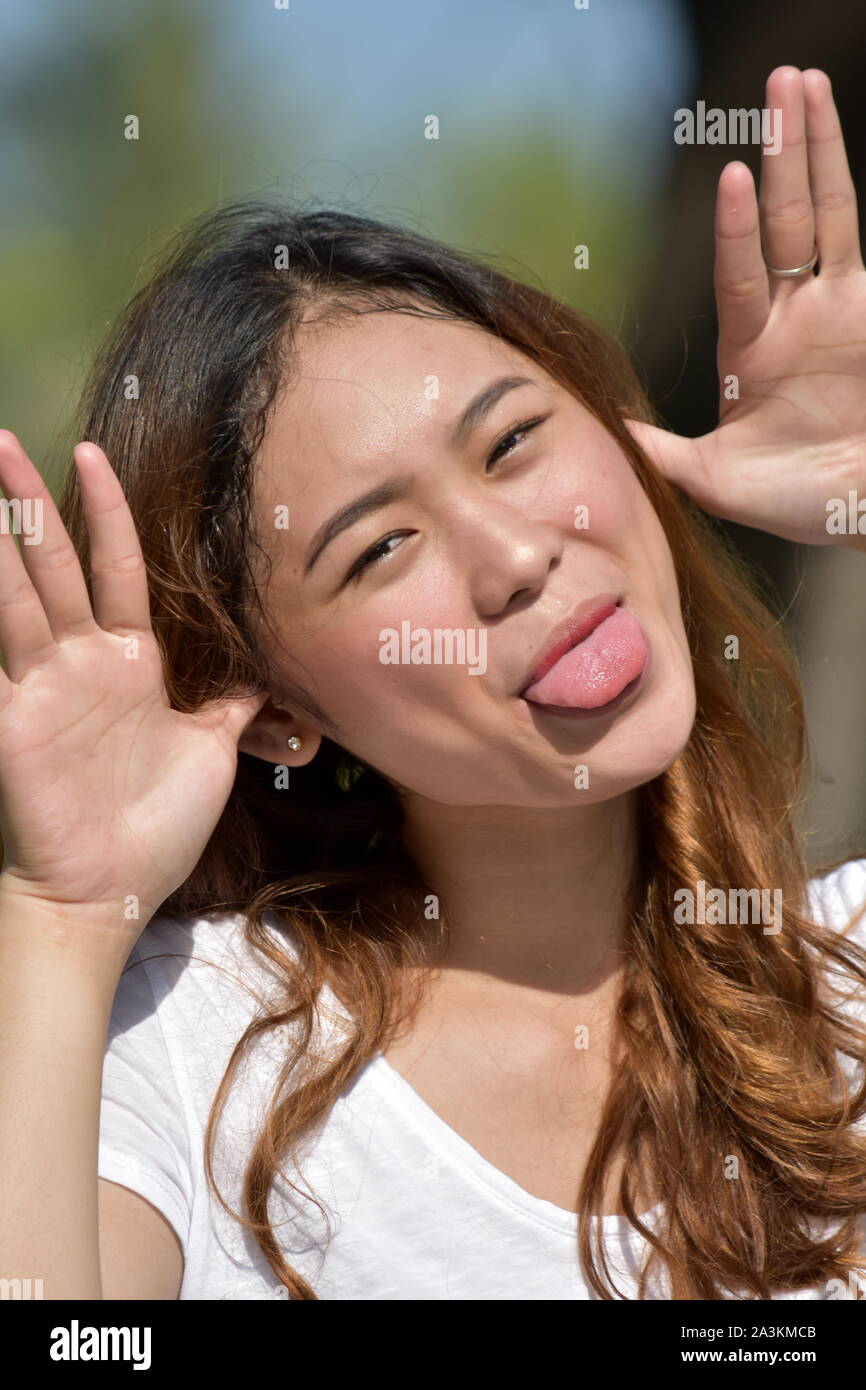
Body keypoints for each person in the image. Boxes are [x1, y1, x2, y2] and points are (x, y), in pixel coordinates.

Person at [1, 65, 865, 1302]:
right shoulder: (181, 1051)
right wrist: (66, 916)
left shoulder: (842, 968)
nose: (516, 560)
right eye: (379, 548)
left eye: (512, 441)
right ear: (283, 712)